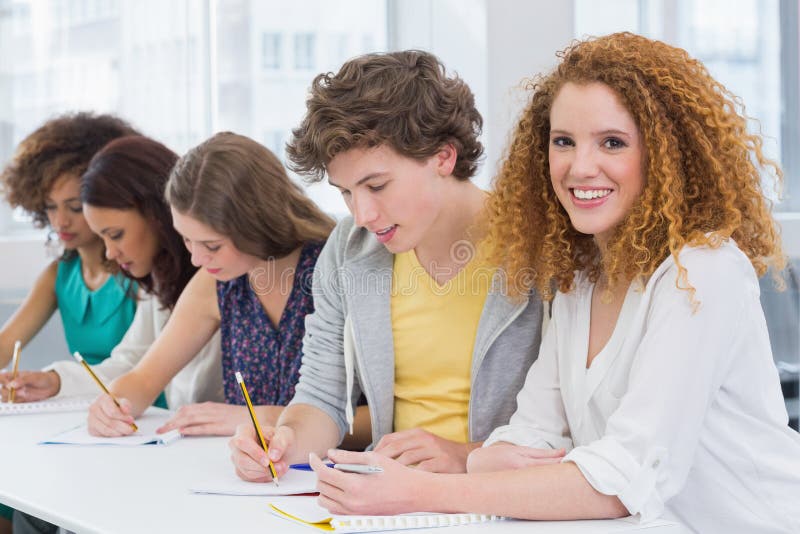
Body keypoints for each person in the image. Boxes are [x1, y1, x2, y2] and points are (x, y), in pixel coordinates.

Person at [296, 33, 800, 534]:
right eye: (563, 142)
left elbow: (623, 476)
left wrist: (419, 490)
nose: (580, 167)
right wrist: (470, 461)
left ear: (666, 153)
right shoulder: (579, 276)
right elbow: (532, 435)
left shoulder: (703, 270)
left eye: (612, 142)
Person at [229, 50, 542, 482]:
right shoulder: (350, 248)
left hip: (505, 501)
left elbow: (573, 425)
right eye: (345, 193)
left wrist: (466, 455)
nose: (362, 214)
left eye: (376, 185)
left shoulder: (540, 246)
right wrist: (280, 444)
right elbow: (321, 395)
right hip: (393, 499)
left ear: (444, 157)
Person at [85, 132, 350, 439]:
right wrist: (112, 403)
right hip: (251, 473)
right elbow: (144, 379)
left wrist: (262, 418)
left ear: (256, 224)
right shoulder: (217, 282)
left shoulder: (336, 268)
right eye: (187, 239)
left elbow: (380, 422)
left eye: (211, 245)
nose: (196, 259)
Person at [0, 135, 224, 413]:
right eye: (102, 237)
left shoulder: (219, 275)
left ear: (157, 214)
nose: (109, 254)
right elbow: (131, 362)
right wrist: (55, 381)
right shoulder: (160, 280)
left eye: (116, 235)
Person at [0, 114, 139, 534]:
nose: (61, 221)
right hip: (73, 416)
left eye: (75, 208)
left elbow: (139, 368)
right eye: (49, 208)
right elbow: (6, 344)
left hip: (131, 418)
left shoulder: (141, 273)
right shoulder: (59, 275)